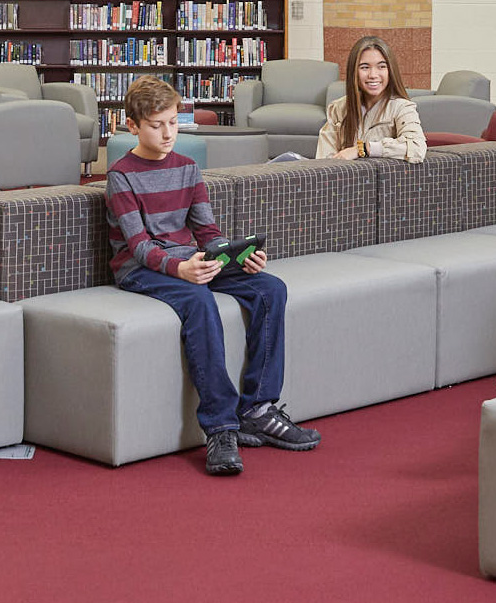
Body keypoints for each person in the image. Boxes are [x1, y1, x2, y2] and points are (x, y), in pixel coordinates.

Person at [107, 75, 321, 475]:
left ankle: (257, 407)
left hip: (190, 258)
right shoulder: (121, 175)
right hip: (141, 269)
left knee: (270, 288)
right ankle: (221, 426)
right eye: (157, 124)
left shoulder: (188, 168)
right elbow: (138, 246)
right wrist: (181, 268)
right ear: (132, 125)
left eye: (173, 121)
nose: (168, 132)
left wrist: (236, 258)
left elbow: (207, 233)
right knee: (198, 300)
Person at [316, 35, 426, 162]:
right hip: (345, 179)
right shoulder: (338, 108)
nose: (373, 75)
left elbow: (417, 149)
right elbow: (323, 161)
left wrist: (363, 149)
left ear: (390, 70)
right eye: (365, 67)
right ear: (354, 72)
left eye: (381, 66)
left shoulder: (402, 108)